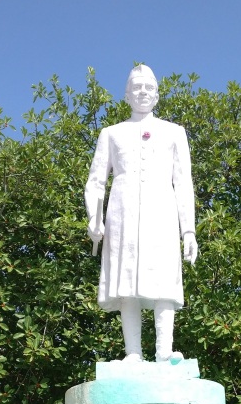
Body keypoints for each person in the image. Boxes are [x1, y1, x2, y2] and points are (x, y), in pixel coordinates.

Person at [84, 64, 198, 363]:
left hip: (162, 211)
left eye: (148, 87)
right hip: (122, 212)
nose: (142, 92)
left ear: (157, 94)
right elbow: (96, 181)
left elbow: (183, 182)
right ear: (126, 94)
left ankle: (163, 352)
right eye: (136, 87)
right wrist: (94, 218)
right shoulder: (111, 133)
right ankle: (132, 352)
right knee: (127, 282)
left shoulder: (174, 132)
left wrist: (189, 230)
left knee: (163, 280)